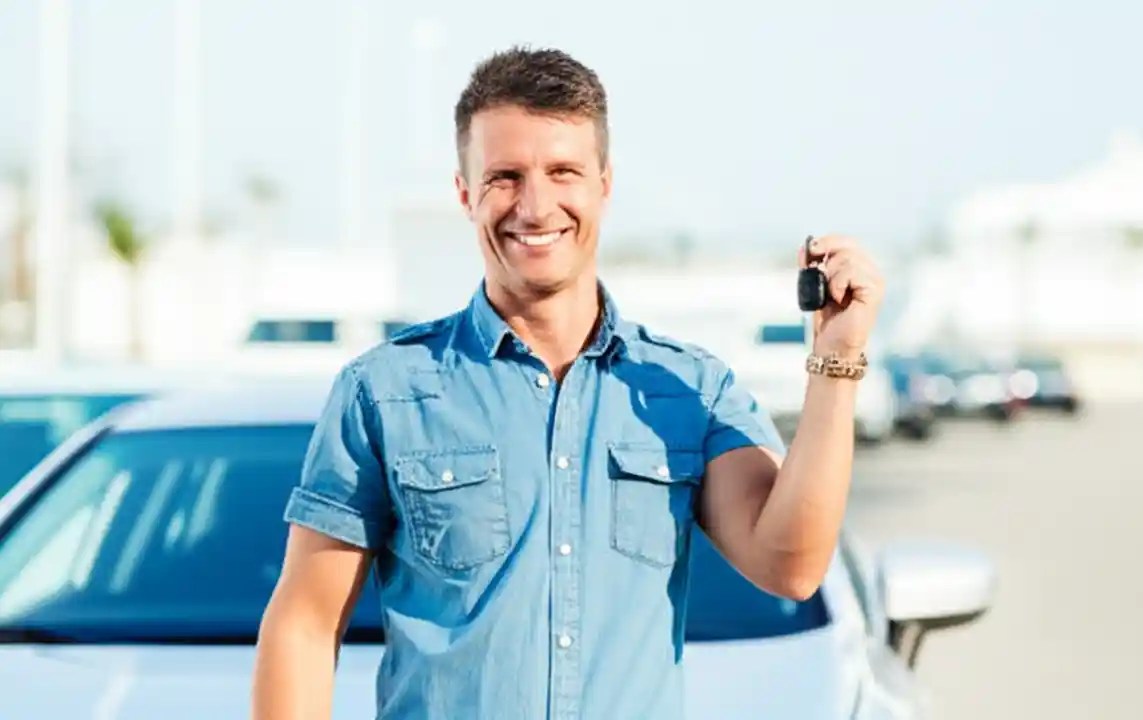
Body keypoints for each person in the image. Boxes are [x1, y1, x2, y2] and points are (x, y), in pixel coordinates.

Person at [251, 45, 884, 720]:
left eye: (563, 171)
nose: (536, 204)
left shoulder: (690, 390)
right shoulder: (383, 393)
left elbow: (789, 563)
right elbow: (304, 627)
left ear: (603, 185)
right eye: (504, 176)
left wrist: (836, 364)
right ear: (464, 193)